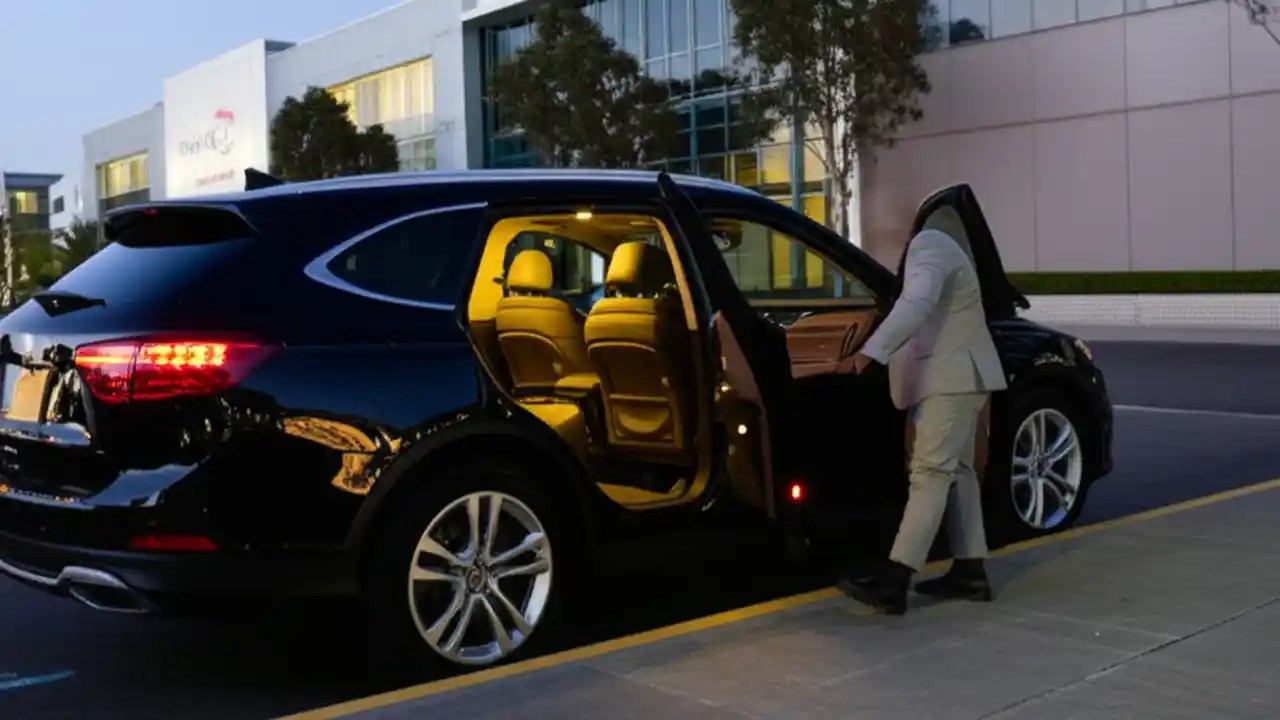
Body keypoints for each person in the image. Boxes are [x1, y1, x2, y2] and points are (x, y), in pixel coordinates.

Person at [837, 203, 1007, 615]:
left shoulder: (930, 244)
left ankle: (895, 581)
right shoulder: (951, 248)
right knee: (960, 473)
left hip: (949, 378)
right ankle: (969, 570)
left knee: (930, 473)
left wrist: (870, 352)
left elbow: (917, 302)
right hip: (966, 374)